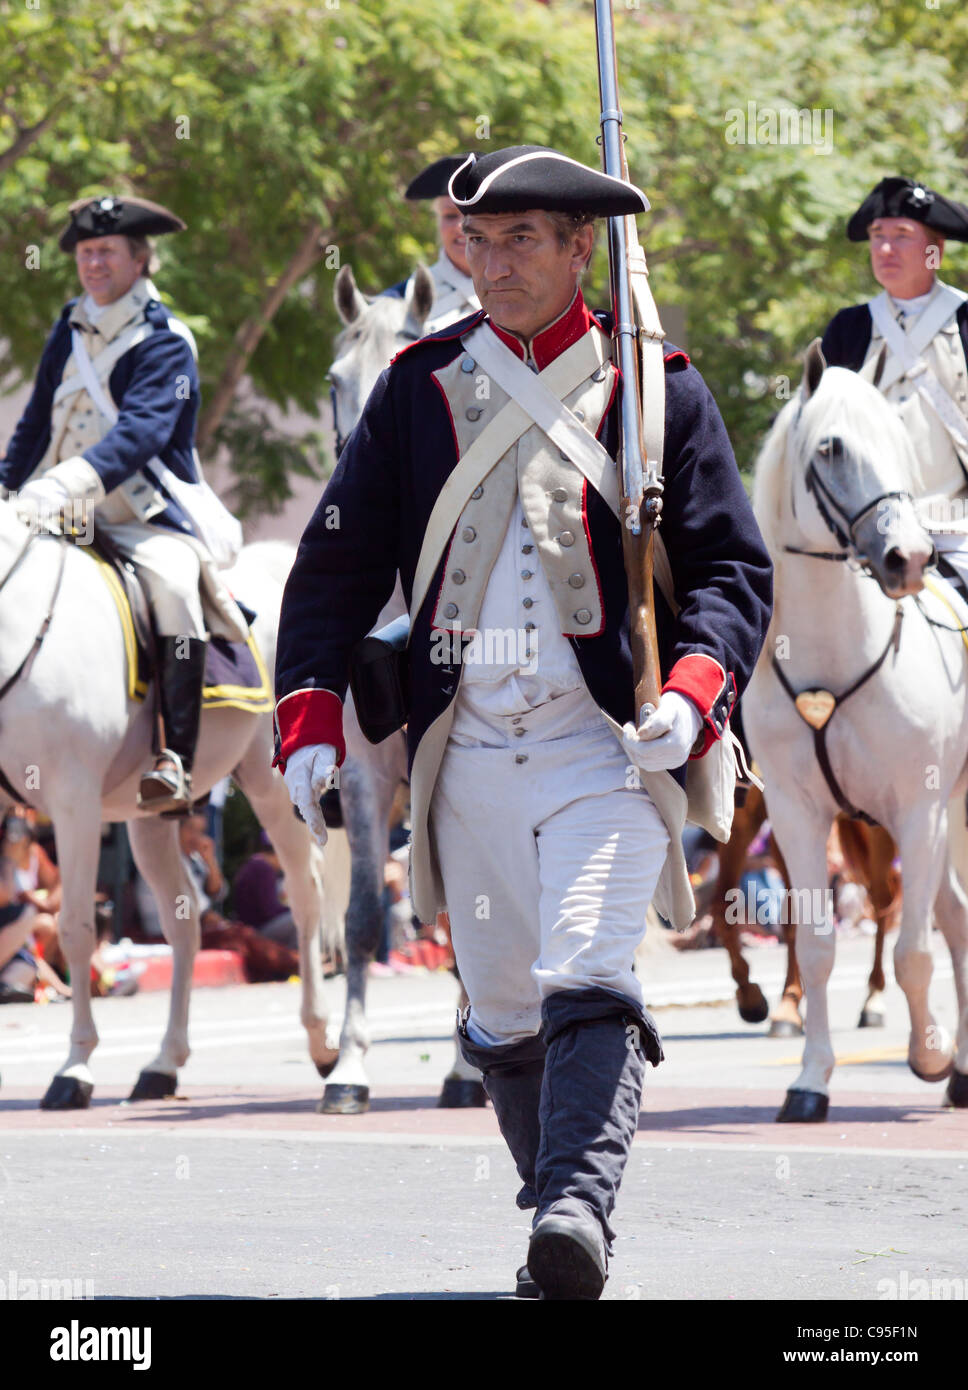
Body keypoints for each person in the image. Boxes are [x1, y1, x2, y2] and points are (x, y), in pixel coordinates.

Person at [274, 145, 772, 1299]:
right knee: (501, 1010)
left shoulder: (655, 385)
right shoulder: (414, 386)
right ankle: (554, 1206)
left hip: (602, 742)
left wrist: (695, 689)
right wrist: (306, 718)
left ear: (578, 246)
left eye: (523, 240)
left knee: (588, 965)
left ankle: (573, 1217)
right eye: (478, 240)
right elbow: (335, 566)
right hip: (463, 749)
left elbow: (727, 567)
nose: (492, 263)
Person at [0, 194, 248, 814]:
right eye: (86, 253)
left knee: (174, 588)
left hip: (139, 513)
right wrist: (8, 486)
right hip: (55, 510)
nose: (93, 264)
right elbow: (36, 422)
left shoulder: (167, 340)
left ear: (139, 260)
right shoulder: (69, 325)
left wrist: (62, 484)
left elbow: (140, 434)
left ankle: (173, 757)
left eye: (106, 251)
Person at [820, 177, 968, 589]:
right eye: (876, 236)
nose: (885, 248)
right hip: (865, 532)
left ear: (934, 250)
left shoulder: (965, 321)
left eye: (902, 235)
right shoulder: (848, 328)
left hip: (956, 530)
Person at [385, 155, 481, 332]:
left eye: (472, 216)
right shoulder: (397, 301)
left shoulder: (529, 291)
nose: (461, 227)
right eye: (450, 215)